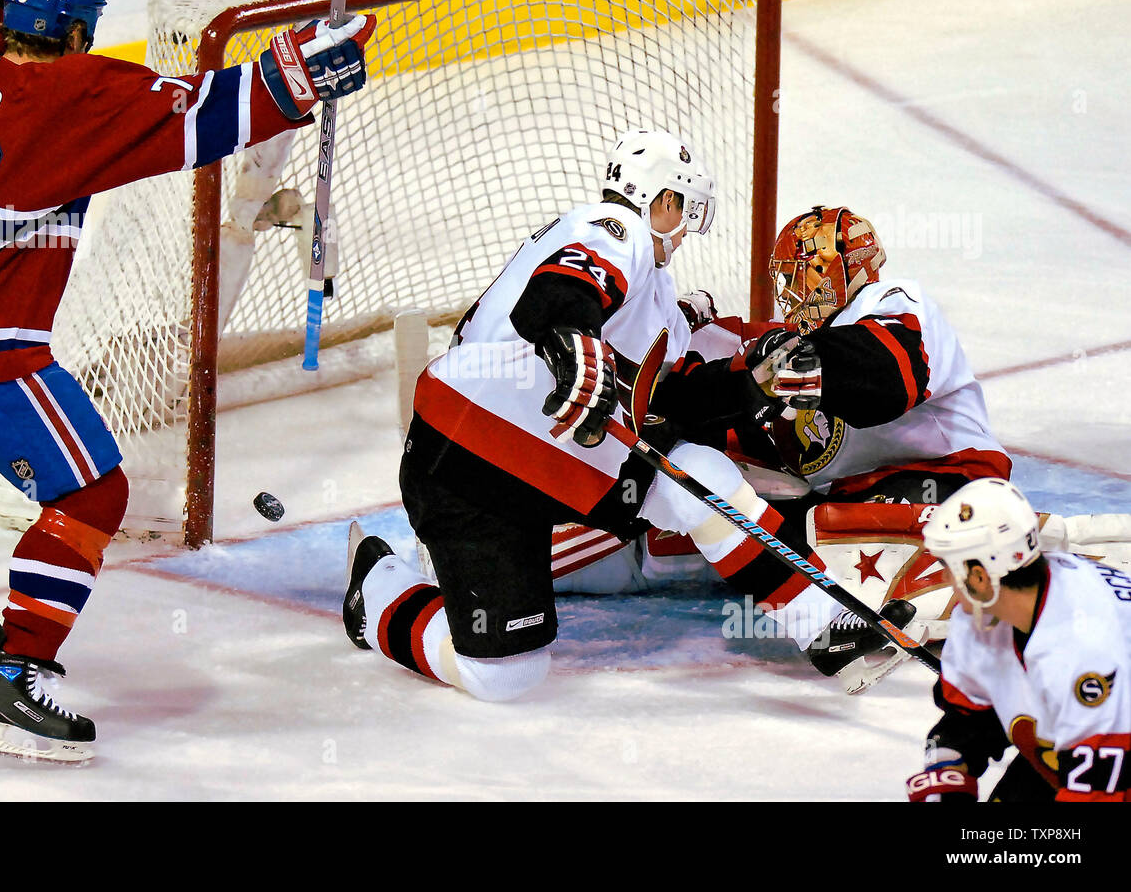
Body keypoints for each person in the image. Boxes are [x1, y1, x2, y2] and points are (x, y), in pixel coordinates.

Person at [0, 0, 375, 762]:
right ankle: (13, 679)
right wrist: (300, 70)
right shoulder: (73, 99)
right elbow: (211, 113)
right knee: (90, 492)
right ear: (80, 34)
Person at [340, 130, 907, 702]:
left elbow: (671, 398)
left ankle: (834, 630)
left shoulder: (657, 296)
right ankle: (380, 584)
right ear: (665, 203)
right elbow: (560, 291)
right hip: (465, 454)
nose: (687, 231)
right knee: (501, 675)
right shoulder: (614, 230)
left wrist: (748, 383)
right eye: (687, 212)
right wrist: (573, 344)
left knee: (703, 480)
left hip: (553, 459)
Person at [553, 206, 1012, 689]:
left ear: (839, 269)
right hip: (840, 505)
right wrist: (669, 406)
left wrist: (819, 368)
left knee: (835, 527)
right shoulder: (792, 341)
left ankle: (930, 580)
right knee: (702, 506)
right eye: (784, 279)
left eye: (801, 276)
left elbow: (891, 371)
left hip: (952, 481)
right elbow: (736, 394)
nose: (791, 293)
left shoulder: (892, 302)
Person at [906, 478, 1130, 802]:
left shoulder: (1088, 646)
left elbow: (1101, 793)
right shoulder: (981, 616)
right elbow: (969, 718)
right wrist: (947, 773)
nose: (944, 579)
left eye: (948, 566)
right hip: (1080, 758)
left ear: (980, 576)